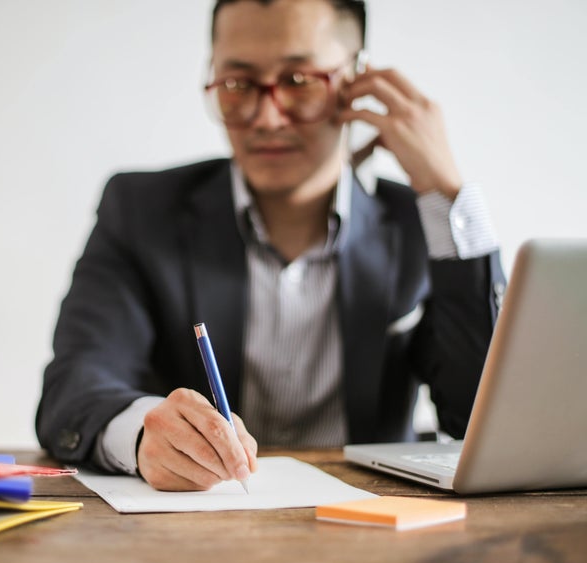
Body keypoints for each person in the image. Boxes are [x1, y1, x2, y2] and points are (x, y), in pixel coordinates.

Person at [36, 0, 505, 491]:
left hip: (374, 529)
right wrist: (142, 433)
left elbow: (484, 418)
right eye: (238, 84)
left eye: (299, 81)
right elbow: (75, 386)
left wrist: (446, 195)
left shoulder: (421, 223)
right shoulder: (140, 210)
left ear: (357, 80)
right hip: (193, 533)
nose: (266, 117)